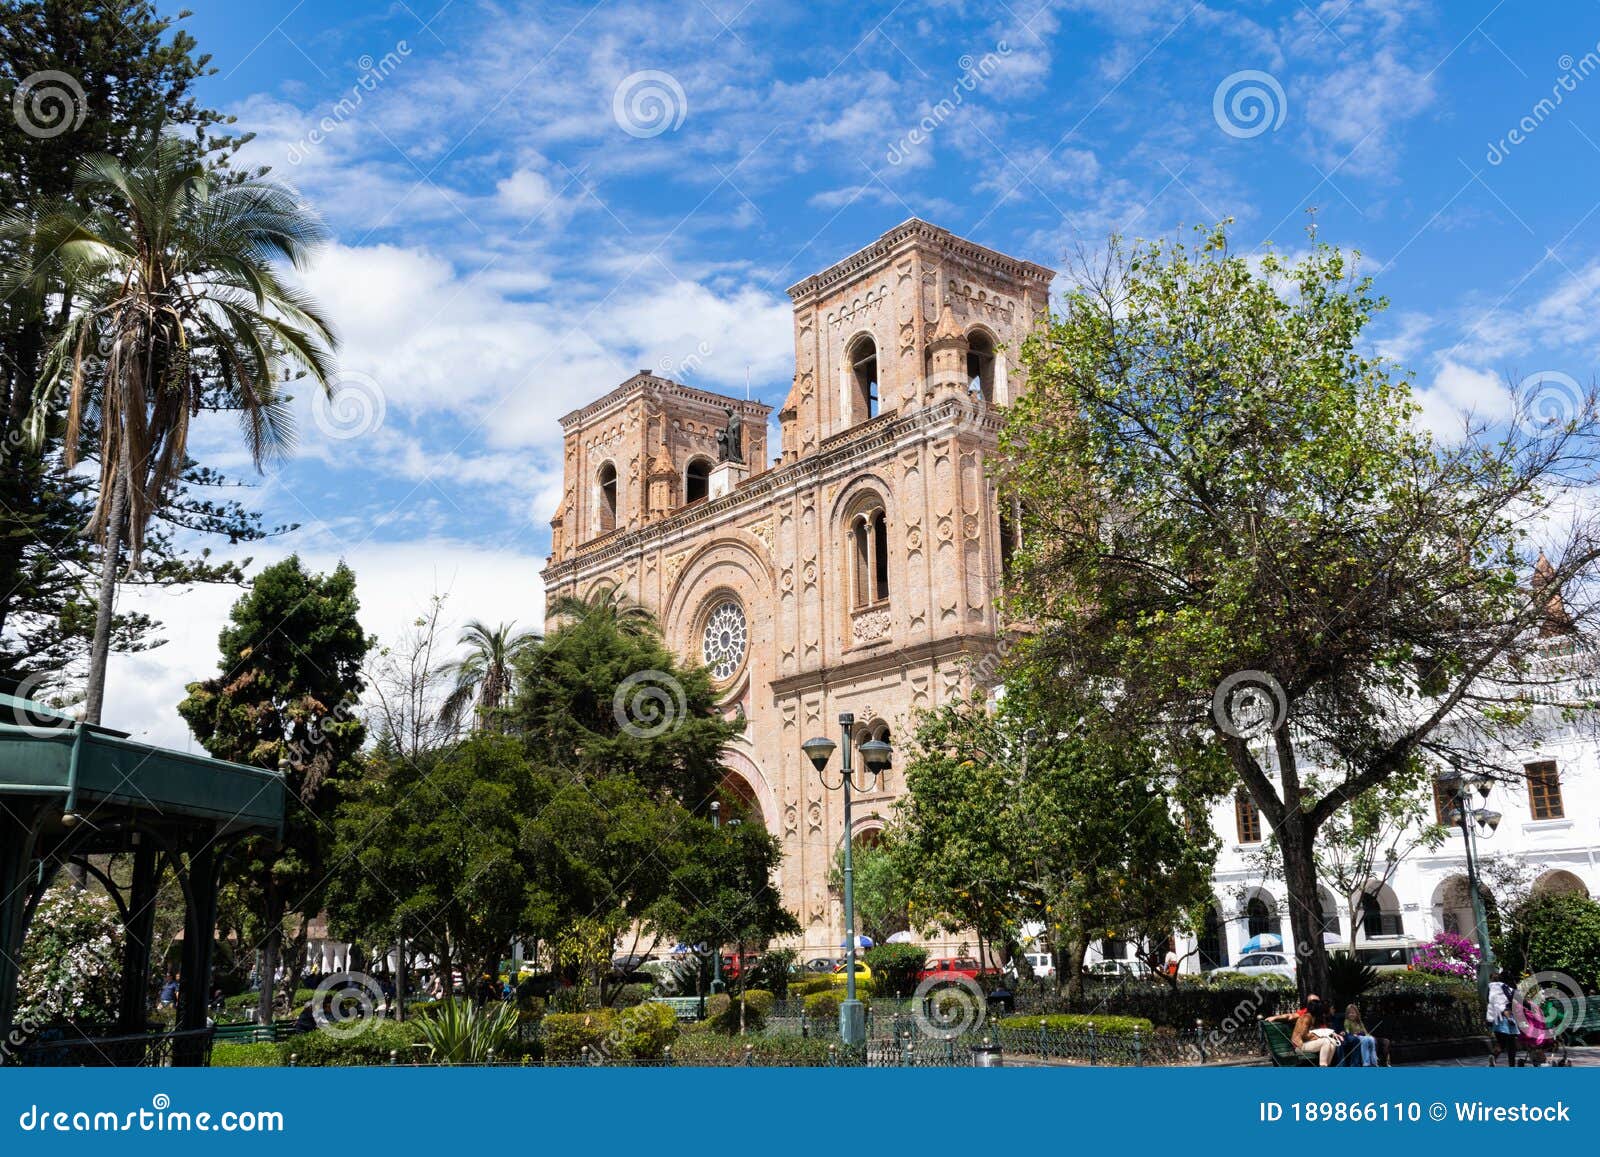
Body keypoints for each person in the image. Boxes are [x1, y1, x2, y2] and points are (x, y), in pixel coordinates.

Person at [1268, 996, 1339, 1066]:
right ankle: (1323, 1065)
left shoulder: (1314, 1018)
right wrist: (1319, 1036)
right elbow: (1304, 1036)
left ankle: (1327, 1065)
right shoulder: (1306, 1017)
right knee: (1325, 1041)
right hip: (1299, 1046)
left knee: (1332, 1042)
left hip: (1307, 1043)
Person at [1486, 969, 1520, 1067]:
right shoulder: (1506, 987)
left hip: (1496, 1018)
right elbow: (1516, 999)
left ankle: (1493, 1056)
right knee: (1511, 1045)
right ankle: (1512, 1065)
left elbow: (1488, 1001)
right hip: (1507, 1018)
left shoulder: (1490, 989)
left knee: (1501, 1043)